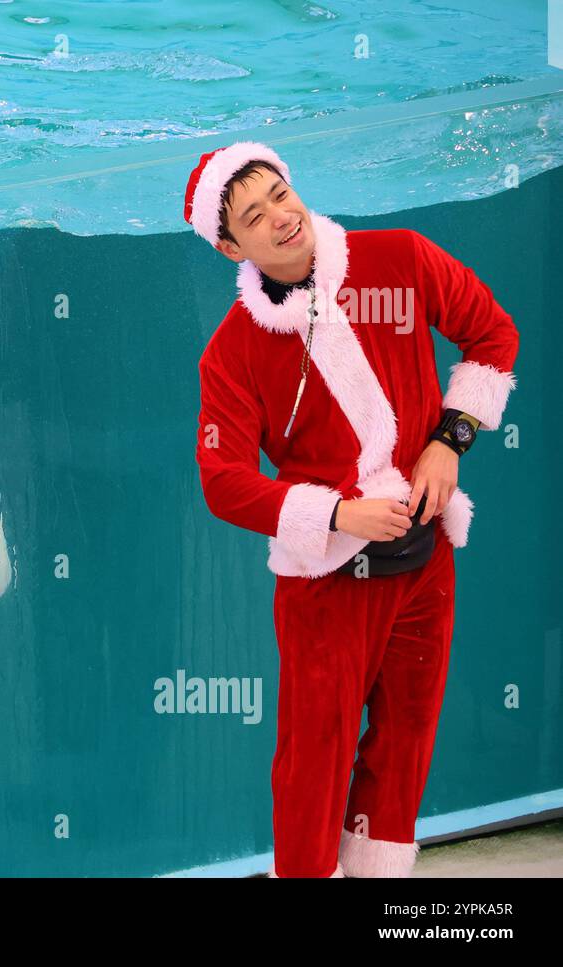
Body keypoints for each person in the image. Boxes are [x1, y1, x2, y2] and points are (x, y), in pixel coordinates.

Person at [188, 142, 519, 877]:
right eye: (253, 213)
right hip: (327, 590)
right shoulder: (233, 351)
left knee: (404, 744)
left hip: (425, 566)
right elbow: (222, 478)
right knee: (314, 762)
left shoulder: (399, 259)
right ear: (227, 245)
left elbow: (493, 335)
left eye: (279, 192)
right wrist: (338, 514)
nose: (280, 216)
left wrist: (449, 439)